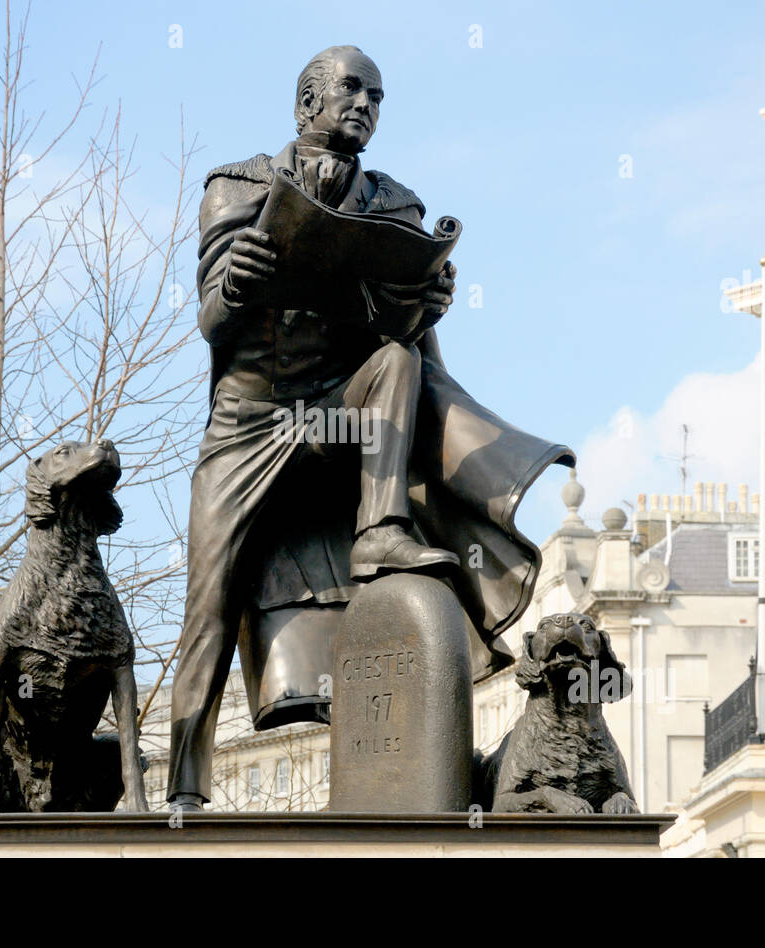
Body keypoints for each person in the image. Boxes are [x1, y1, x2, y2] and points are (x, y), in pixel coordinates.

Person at [168, 46, 573, 810]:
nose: (364, 105)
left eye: (377, 96)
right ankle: (185, 788)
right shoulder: (236, 186)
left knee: (393, 358)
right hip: (248, 424)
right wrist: (236, 284)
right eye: (350, 89)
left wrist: (430, 299)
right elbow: (212, 322)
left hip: (338, 410)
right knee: (209, 602)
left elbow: (406, 331)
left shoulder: (394, 202)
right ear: (305, 103)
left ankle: (379, 527)